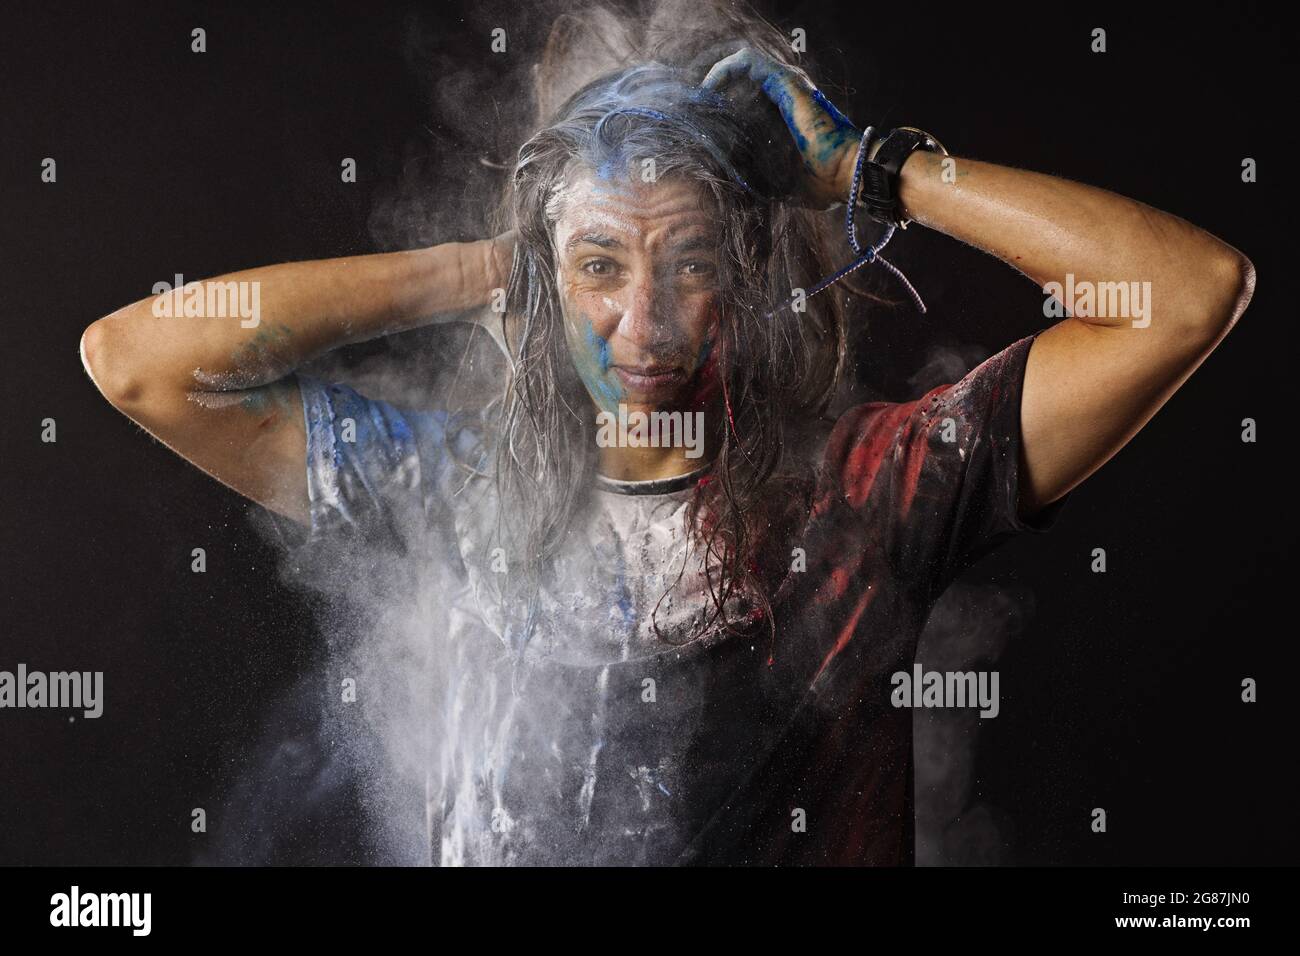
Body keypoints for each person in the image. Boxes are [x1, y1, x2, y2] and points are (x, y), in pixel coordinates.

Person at [79, 7, 1254, 865]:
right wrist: (491, 264)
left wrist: (869, 170)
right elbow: (137, 361)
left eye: (689, 263)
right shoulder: (452, 492)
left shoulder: (873, 490)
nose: (642, 324)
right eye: (599, 265)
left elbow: (1186, 289)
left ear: (744, 276)